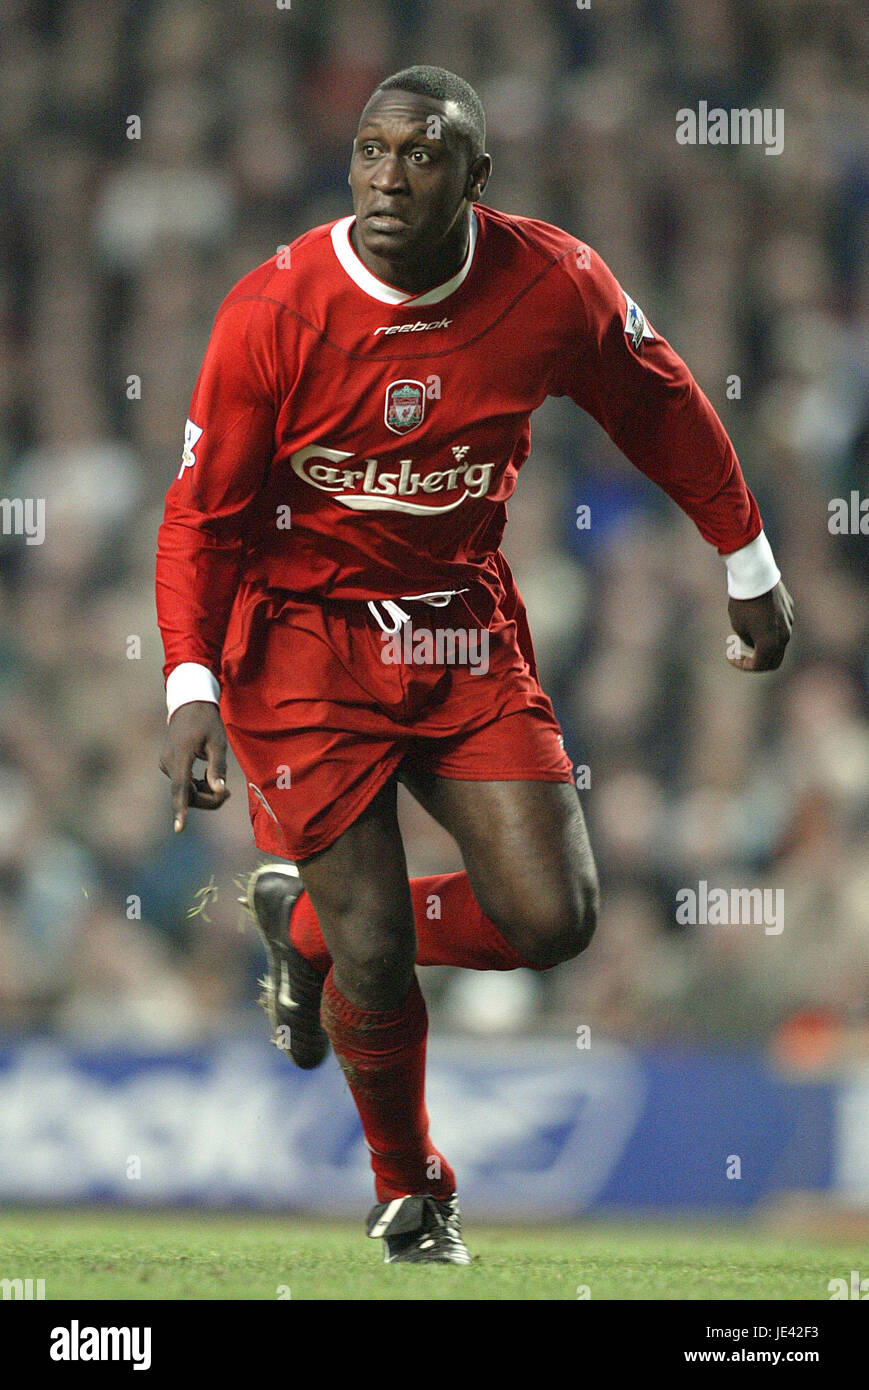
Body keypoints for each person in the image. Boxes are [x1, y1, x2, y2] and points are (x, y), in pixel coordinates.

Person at [156, 65, 793, 1265]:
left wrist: (746, 555)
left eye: (422, 154)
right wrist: (190, 683)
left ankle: (304, 938)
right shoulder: (274, 309)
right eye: (370, 151)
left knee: (554, 918)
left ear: (475, 177)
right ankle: (411, 1193)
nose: (389, 177)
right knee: (382, 955)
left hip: (455, 625)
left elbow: (657, 405)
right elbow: (200, 520)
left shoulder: (551, 284)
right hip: (300, 635)